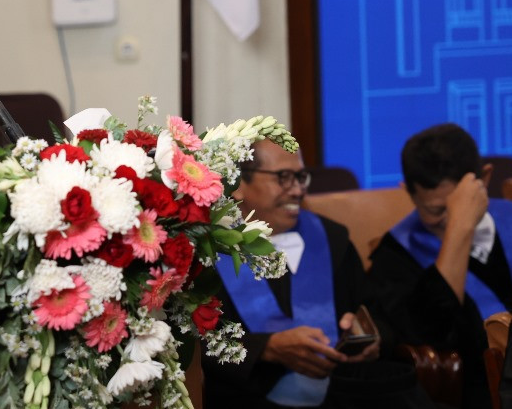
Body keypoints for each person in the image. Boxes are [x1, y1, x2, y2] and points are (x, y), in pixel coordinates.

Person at [205, 138, 401, 409]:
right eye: (283, 177)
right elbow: (196, 345)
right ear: (238, 185)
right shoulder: (207, 252)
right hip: (249, 397)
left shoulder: (333, 239)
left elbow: (378, 315)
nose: (297, 190)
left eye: (301, 177)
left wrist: (371, 337)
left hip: (343, 394)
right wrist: (266, 348)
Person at [369, 122, 512, 409]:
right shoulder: (395, 255)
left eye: (459, 205)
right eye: (436, 210)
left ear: (483, 178)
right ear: (408, 193)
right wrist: (460, 230)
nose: (449, 219)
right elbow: (428, 337)